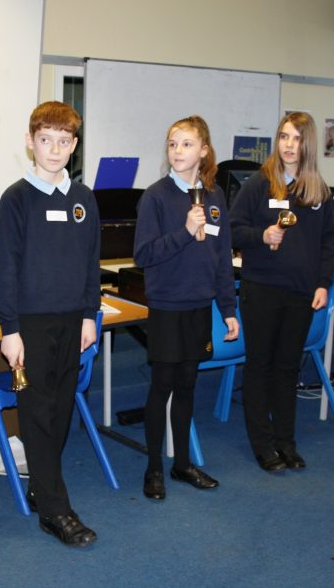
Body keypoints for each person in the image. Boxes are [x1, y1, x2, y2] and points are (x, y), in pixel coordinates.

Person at [0, 101, 101, 547]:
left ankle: (41, 482)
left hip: (73, 320)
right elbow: (6, 269)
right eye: (45, 140)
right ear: (29, 141)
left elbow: (91, 259)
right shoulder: (16, 198)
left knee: (60, 409)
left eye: (63, 141)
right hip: (31, 324)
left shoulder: (83, 199)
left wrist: (90, 313)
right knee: (36, 412)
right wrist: (9, 328)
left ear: (73, 146)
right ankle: (56, 510)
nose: (53, 150)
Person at [133, 115, 239, 501]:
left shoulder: (214, 198)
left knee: (188, 385)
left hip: (200, 306)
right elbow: (143, 255)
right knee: (162, 386)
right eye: (172, 144)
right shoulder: (156, 197)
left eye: (186, 144)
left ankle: (182, 463)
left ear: (204, 151)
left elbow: (222, 257)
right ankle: (153, 469)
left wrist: (228, 308)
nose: (178, 151)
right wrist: (184, 232)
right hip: (167, 305)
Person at [229, 112, 334, 473]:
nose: (289, 145)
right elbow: (233, 229)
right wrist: (262, 236)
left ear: (307, 144)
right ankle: (263, 445)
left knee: (288, 368)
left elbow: (327, 242)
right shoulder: (259, 184)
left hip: (301, 293)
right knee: (260, 366)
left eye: (297, 138)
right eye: (284, 137)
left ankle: (286, 442)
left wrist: (322, 282)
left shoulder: (317, 189)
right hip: (262, 289)